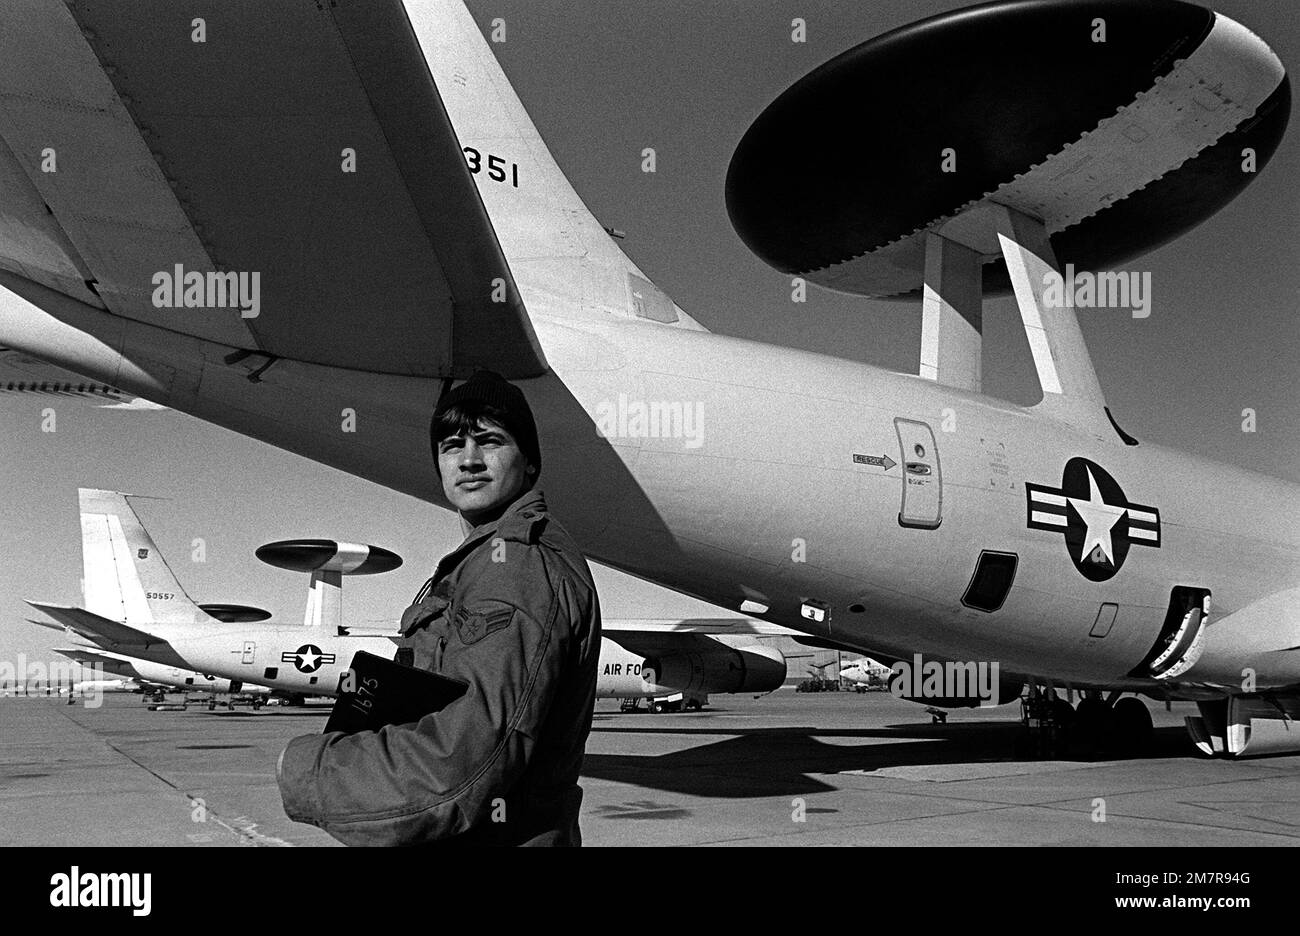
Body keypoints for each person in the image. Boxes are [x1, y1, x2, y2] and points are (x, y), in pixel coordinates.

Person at [276, 370, 602, 846]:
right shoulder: (489, 558)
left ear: (530, 462)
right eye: (451, 446)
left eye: (490, 441)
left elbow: (460, 766)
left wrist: (306, 767)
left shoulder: (514, 564)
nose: (469, 460)